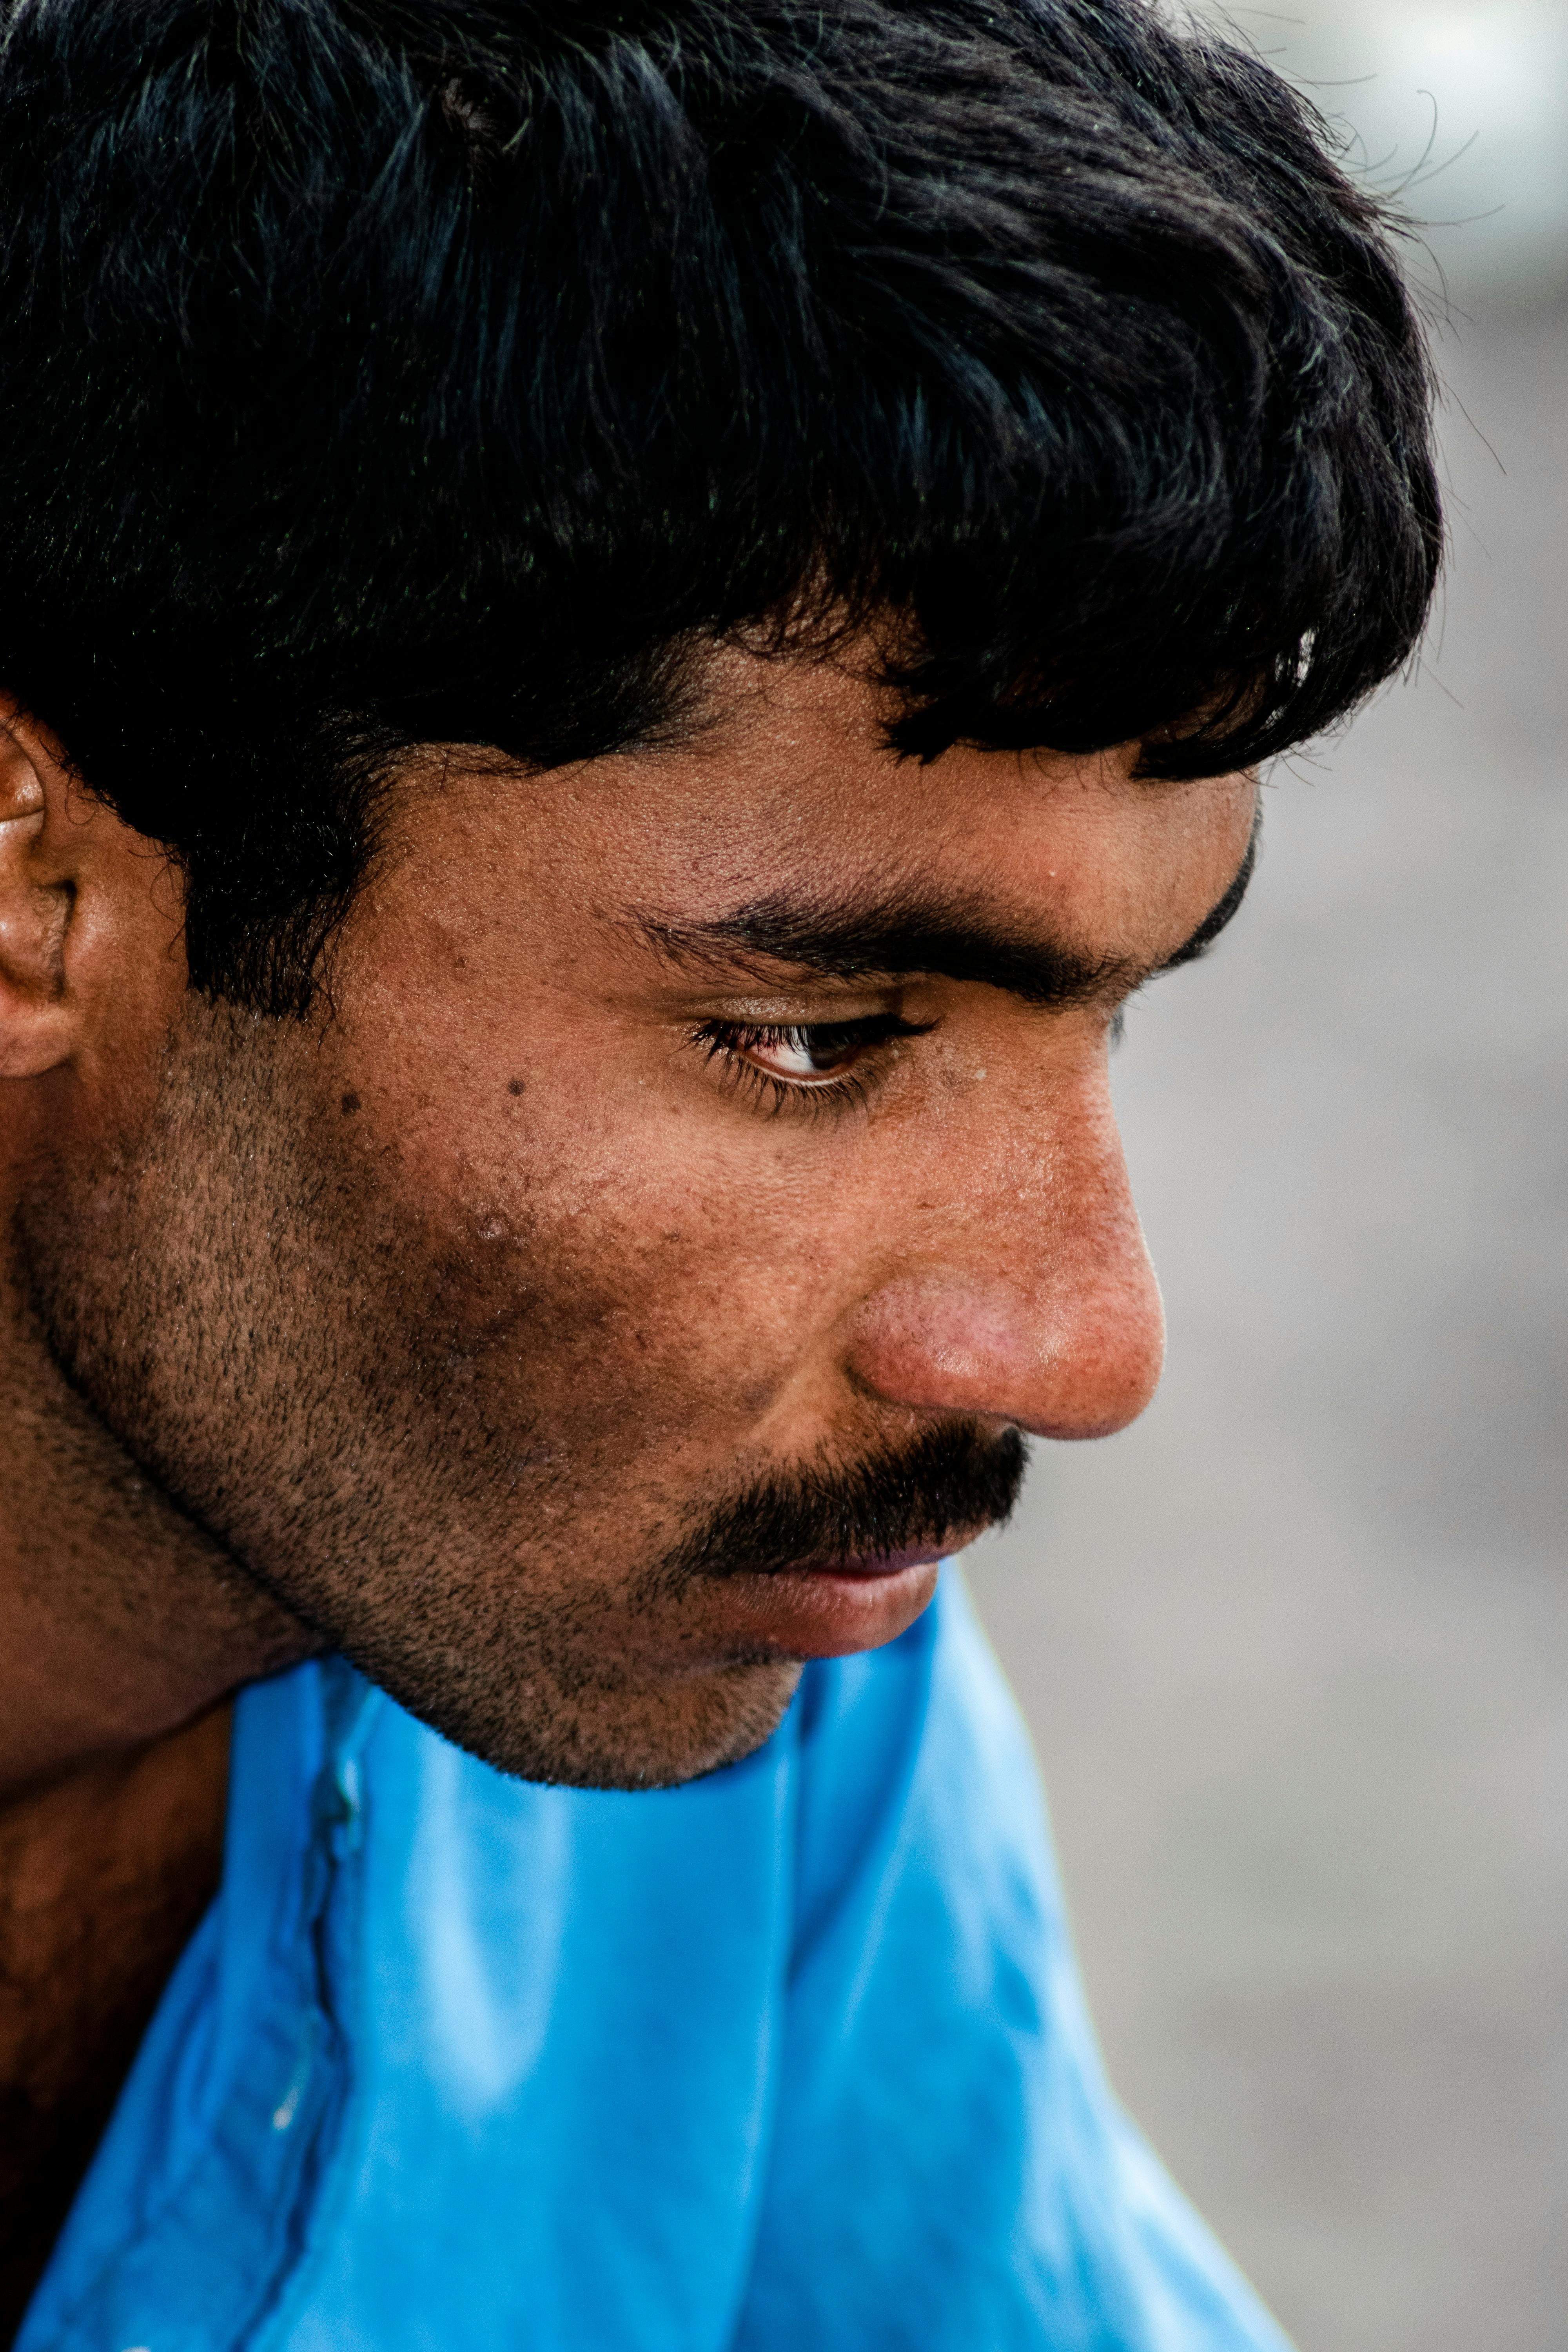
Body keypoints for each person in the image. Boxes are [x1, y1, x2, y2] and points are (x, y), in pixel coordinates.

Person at [0, 0, 1438, 2342]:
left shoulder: (732, 1656)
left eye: (1113, 1010)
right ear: (38, 877)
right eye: (813, 1039)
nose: (1078, 1349)